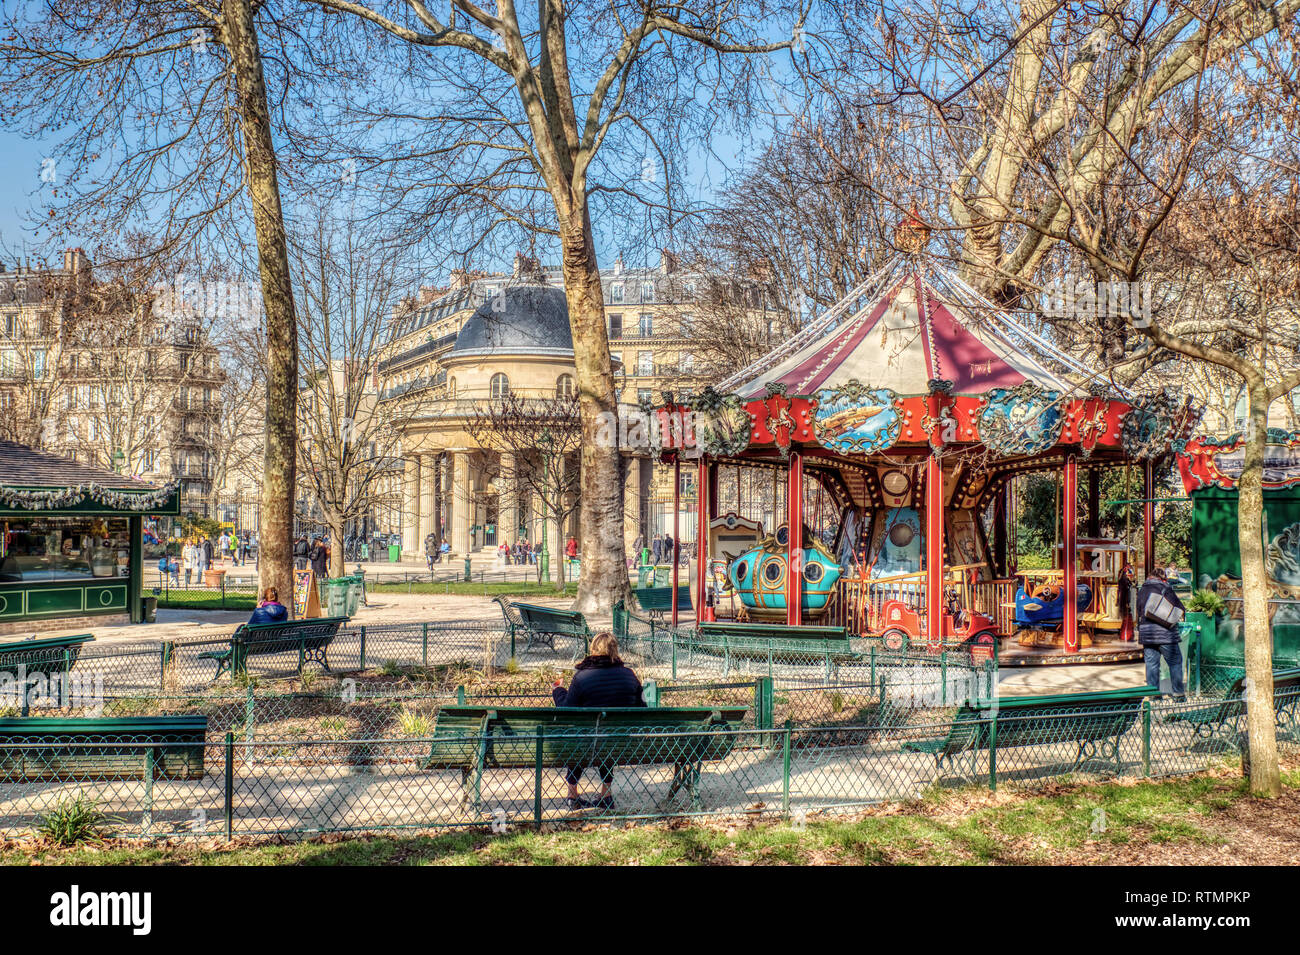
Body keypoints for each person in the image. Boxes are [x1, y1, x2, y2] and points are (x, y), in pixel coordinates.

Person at [551, 632, 645, 810]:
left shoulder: (582, 677)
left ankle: (572, 793)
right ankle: (606, 794)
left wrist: (558, 690)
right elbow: (642, 708)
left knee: (581, 737)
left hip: (586, 741)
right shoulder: (629, 675)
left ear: (593, 650)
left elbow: (567, 710)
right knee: (605, 737)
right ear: (615, 651)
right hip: (620, 742)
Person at [1137, 567, 1186, 699]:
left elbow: (1139, 610)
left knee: (1152, 665)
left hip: (1147, 634)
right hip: (1166, 634)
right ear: (1163, 577)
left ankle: (1153, 694)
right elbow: (1180, 608)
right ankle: (1178, 693)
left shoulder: (1142, 589)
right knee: (1175, 662)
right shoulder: (1166, 588)